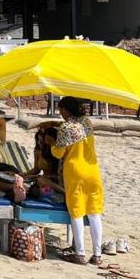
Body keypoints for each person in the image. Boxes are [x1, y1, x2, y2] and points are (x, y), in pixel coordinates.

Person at [43, 97, 105, 266]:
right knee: (94, 213)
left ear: (66, 110)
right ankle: (97, 255)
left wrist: (51, 144)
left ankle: (80, 253)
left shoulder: (66, 127)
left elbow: (59, 153)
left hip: (75, 172)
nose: (60, 113)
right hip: (93, 171)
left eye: (61, 110)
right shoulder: (87, 122)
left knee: (76, 212)